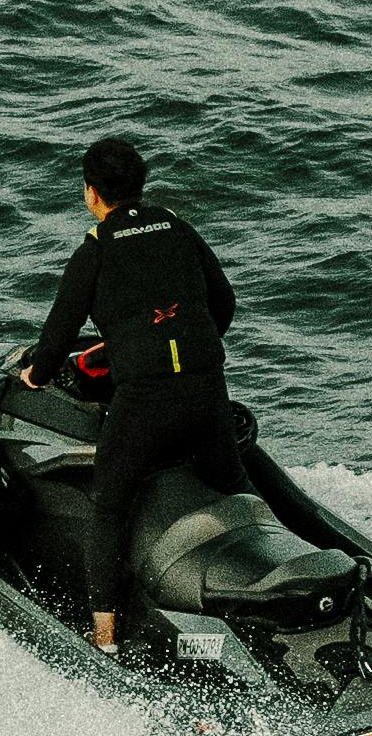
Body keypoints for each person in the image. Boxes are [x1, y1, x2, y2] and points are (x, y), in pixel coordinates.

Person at [24, 134, 245, 652]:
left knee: (110, 505)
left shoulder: (94, 251)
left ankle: (104, 638)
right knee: (233, 482)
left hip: (145, 399)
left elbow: (55, 340)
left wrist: (36, 375)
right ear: (142, 186)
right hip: (206, 384)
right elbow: (224, 304)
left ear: (91, 194)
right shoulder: (178, 227)